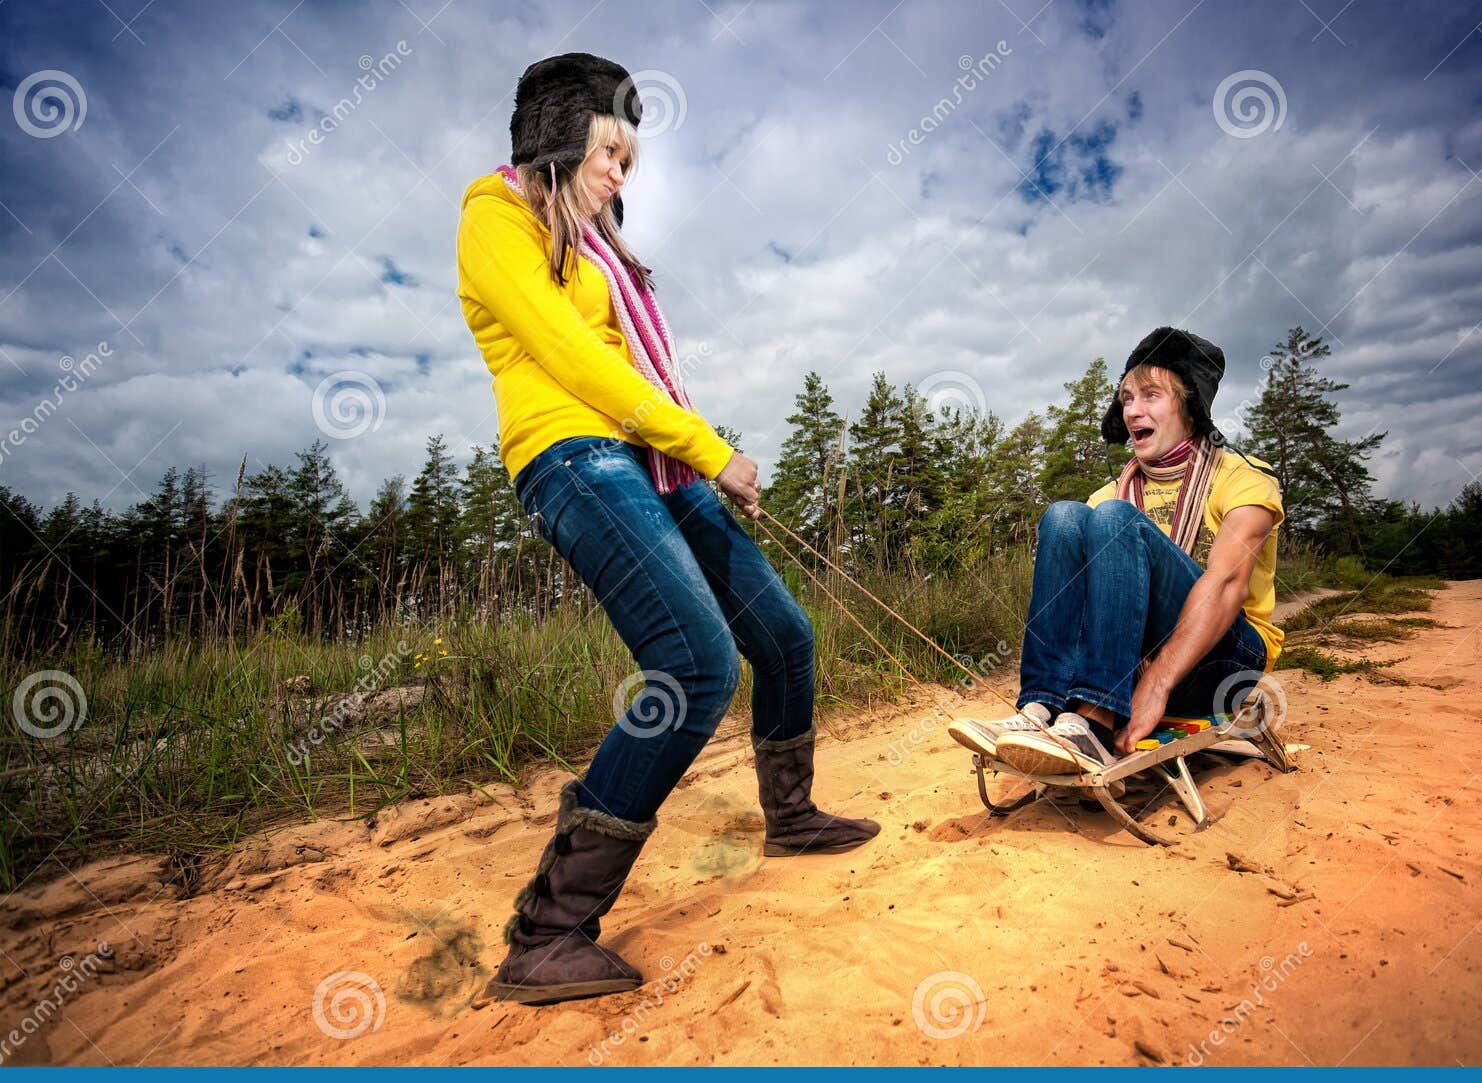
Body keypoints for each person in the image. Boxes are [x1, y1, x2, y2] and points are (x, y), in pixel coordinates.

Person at [456, 52, 879, 1006]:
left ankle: (793, 813)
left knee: (783, 633)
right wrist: (708, 446)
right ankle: (549, 930)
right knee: (696, 664)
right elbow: (568, 355)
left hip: (647, 456)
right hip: (572, 454)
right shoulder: (496, 215)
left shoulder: (593, 246)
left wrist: (695, 455)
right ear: (560, 145)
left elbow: (631, 366)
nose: (621, 173)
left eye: (628, 158)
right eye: (610, 152)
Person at [947, 326, 1283, 776]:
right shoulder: (1110, 493)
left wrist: (1158, 684)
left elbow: (1226, 586)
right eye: (1126, 398)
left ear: (1188, 405)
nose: (1133, 410)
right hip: (1131, 662)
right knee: (1066, 517)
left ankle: (1096, 721)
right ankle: (1039, 710)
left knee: (1113, 518)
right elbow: (1082, 605)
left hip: (1222, 665)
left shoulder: (1243, 479)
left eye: (1150, 395)